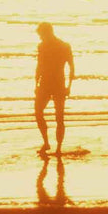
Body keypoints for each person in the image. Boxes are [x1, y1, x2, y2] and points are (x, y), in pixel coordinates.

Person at [34, 22, 74, 155]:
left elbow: (71, 67)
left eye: (41, 34)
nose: (40, 37)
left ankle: (58, 148)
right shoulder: (42, 46)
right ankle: (46, 143)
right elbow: (39, 65)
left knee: (59, 117)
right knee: (38, 112)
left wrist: (69, 86)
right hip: (45, 84)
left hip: (58, 84)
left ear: (47, 32)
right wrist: (36, 84)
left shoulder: (64, 46)